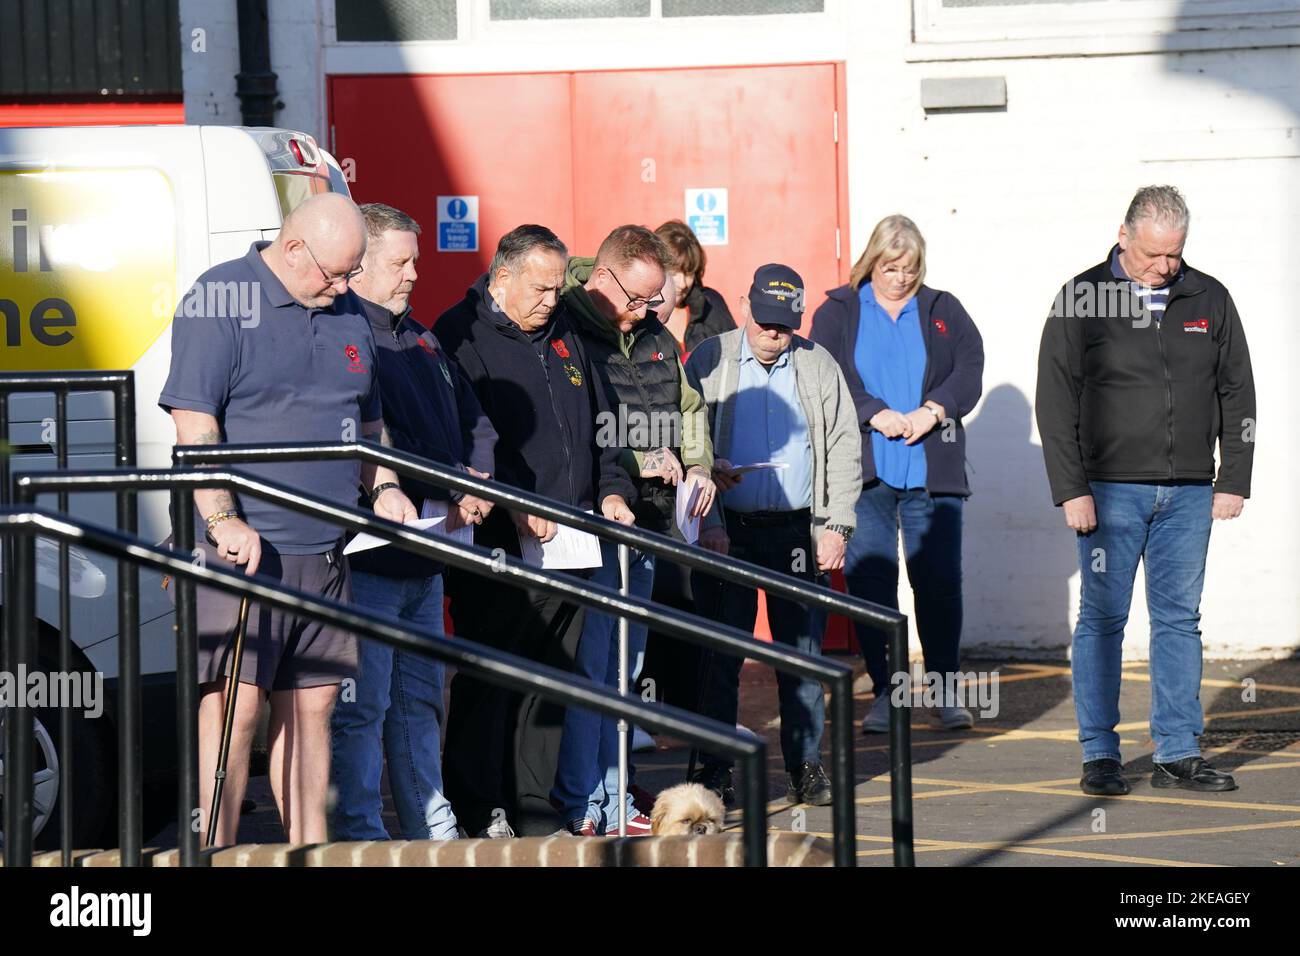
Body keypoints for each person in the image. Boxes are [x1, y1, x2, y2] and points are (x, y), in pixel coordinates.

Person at [159, 193, 418, 845]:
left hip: (326, 553)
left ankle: (308, 853)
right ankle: (215, 853)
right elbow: (196, 423)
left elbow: (368, 422)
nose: (342, 286)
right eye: (333, 272)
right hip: (242, 552)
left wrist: (384, 485)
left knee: (314, 709)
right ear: (294, 247)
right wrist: (222, 521)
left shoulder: (348, 310)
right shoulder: (219, 298)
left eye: (352, 274)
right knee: (235, 708)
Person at [1036, 185, 1255, 795]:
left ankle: (1178, 752)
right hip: (1108, 492)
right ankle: (1100, 754)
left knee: (1179, 620)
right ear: (1124, 235)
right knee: (1103, 619)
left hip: (1188, 492)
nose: (1166, 268)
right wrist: (1070, 488)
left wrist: (1233, 475)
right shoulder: (1082, 297)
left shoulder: (1208, 297)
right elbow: (1055, 399)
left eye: (1176, 255)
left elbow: (1238, 391)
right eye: (1154, 255)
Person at [435, 224, 637, 837]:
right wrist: (511, 504)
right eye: (541, 288)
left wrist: (613, 490)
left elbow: (604, 422)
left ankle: (533, 806)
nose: (552, 300)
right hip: (500, 541)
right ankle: (480, 804)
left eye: (558, 287)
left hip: (572, 537)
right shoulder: (459, 335)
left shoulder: (564, 332)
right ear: (502, 277)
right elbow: (459, 443)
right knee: (494, 675)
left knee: (552, 682)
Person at [330, 203, 498, 841]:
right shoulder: (349, 337)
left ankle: (432, 825)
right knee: (365, 704)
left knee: (421, 700)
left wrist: (477, 478)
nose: (412, 275)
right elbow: (375, 441)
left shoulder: (423, 337)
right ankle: (360, 831)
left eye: (416, 261)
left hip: (429, 550)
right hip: (371, 552)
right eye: (398, 263)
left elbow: (477, 421)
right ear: (360, 262)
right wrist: (448, 484)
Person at [553, 224, 716, 835]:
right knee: (593, 675)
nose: (644, 313)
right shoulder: (565, 329)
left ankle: (615, 799)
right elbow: (578, 427)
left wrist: (698, 464)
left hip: (649, 526)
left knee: (624, 672)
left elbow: (689, 408)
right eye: (636, 299)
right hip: (596, 525)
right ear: (604, 275)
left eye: (655, 302)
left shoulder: (652, 336)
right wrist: (634, 458)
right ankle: (581, 805)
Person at [685, 263, 862, 807]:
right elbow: (690, 438)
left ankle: (806, 767)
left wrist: (835, 525)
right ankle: (716, 770)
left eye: (784, 326)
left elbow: (843, 445)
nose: (773, 334)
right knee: (722, 656)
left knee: (801, 655)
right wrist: (708, 522)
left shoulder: (817, 364)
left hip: (795, 529)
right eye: (765, 322)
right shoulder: (709, 359)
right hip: (728, 530)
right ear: (744, 306)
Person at [811, 215, 985, 734]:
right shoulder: (838, 311)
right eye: (890, 267)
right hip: (866, 471)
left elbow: (969, 369)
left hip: (932, 470)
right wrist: (872, 410)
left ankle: (947, 688)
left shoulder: (942, 309)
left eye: (910, 268)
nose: (900, 278)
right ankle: (890, 691)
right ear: (871, 261)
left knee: (937, 581)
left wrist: (934, 410)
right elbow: (826, 373)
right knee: (871, 582)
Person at [655, 219, 736, 355]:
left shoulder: (711, 304)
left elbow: (735, 353)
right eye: (674, 273)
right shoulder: (639, 313)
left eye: (689, 273)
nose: (682, 284)